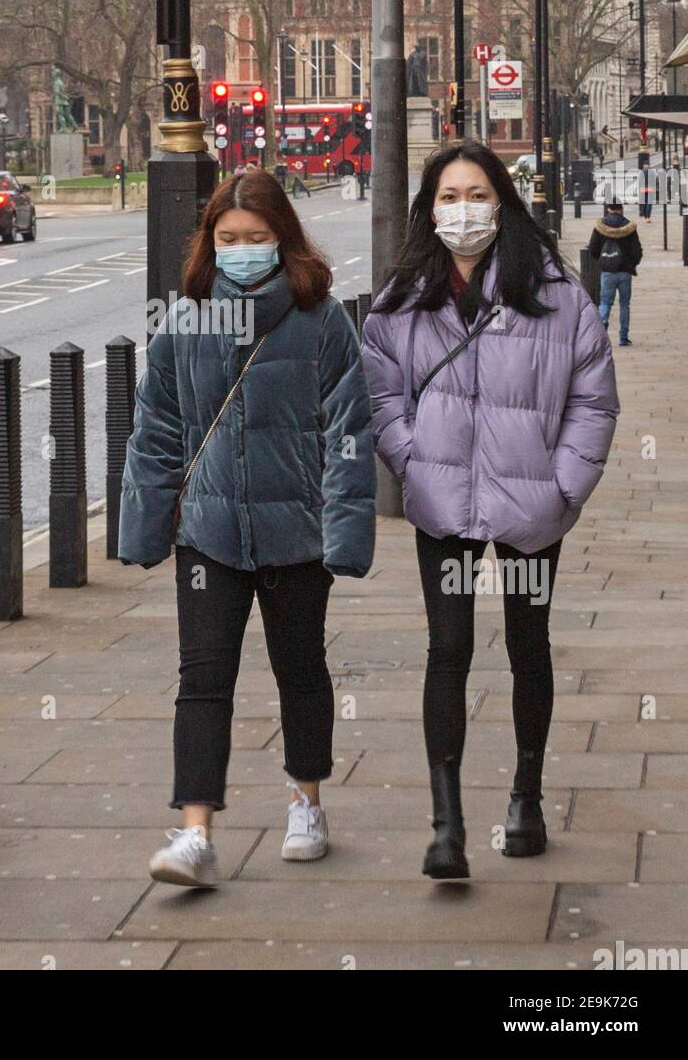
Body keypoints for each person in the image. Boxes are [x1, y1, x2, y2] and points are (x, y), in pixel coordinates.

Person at [360, 142, 619, 880]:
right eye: (447, 196)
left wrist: (562, 489)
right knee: (448, 650)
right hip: (443, 504)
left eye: (475, 193)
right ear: (428, 209)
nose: (461, 209)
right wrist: (412, 465)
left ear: (499, 202)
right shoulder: (401, 299)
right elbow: (381, 397)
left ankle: (525, 798)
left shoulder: (555, 293)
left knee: (526, 644)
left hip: (530, 502)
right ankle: (446, 825)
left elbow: (592, 400)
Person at [119, 168, 376, 889]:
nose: (241, 250)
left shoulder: (320, 320)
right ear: (209, 242)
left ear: (282, 239)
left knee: (299, 670)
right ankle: (194, 833)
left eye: (256, 238)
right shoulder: (185, 318)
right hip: (209, 531)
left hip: (295, 532)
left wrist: (344, 531)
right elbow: (157, 428)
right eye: (227, 238)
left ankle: (306, 802)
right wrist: (143, 525)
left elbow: (349, 430)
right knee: (201, 679)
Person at [588, 199, 643, 348]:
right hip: (625, 271)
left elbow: (592, 248)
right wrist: (631, 264)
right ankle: (623, 337)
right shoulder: (629, 226)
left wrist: (602, 261)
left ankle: (601, 331)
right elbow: (637, 250)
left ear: (608, 209)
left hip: (607, 271)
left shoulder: (601, 226)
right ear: (621, 208)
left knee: (605, 303)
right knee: (625, 304)